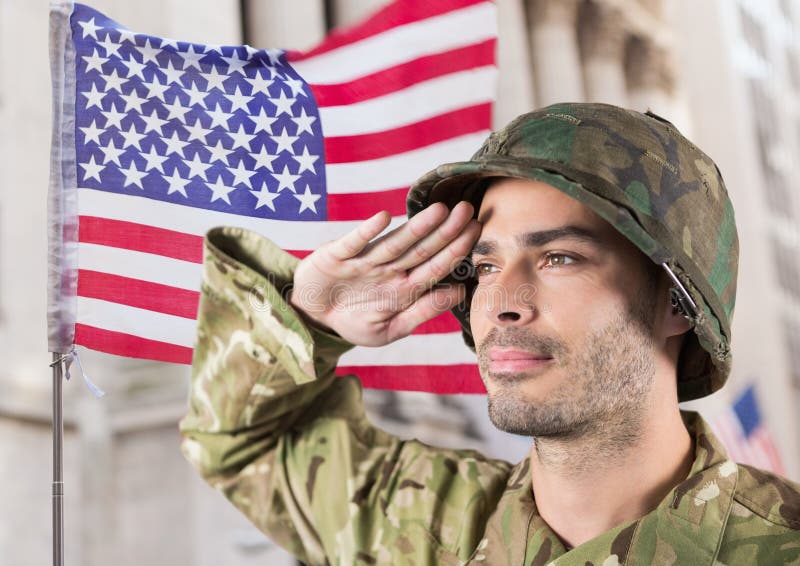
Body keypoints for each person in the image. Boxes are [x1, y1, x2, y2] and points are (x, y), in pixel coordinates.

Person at [180, 103, 800, 565]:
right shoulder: (426, 523)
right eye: (484, 266)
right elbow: (240, 442)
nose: (500, 303)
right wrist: (307, 321)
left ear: (677, 303)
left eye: (559, 258)